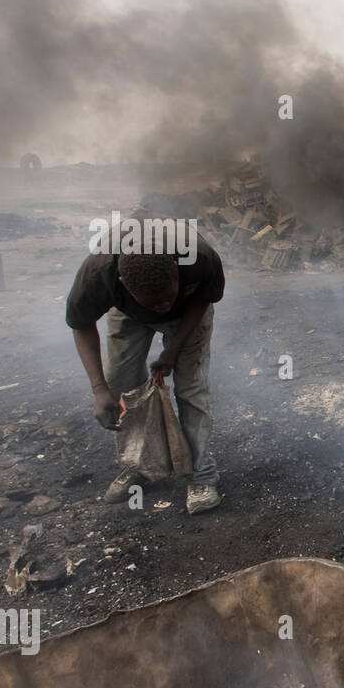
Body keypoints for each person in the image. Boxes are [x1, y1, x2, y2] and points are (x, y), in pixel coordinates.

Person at [66, 218, 225, 514]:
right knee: (121, 386)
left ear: (177, 273)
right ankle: (140, 464)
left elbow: (203, 298)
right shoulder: (98, 274)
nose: (162, 307)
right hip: (128, 314)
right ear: (124, 285)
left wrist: (173, 350)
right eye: (154, 304)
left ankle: (201, 475)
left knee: (191, 389)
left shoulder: (200, 259)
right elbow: (81, 325)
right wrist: (99, 390)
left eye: (167, 296)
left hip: (189, 310)